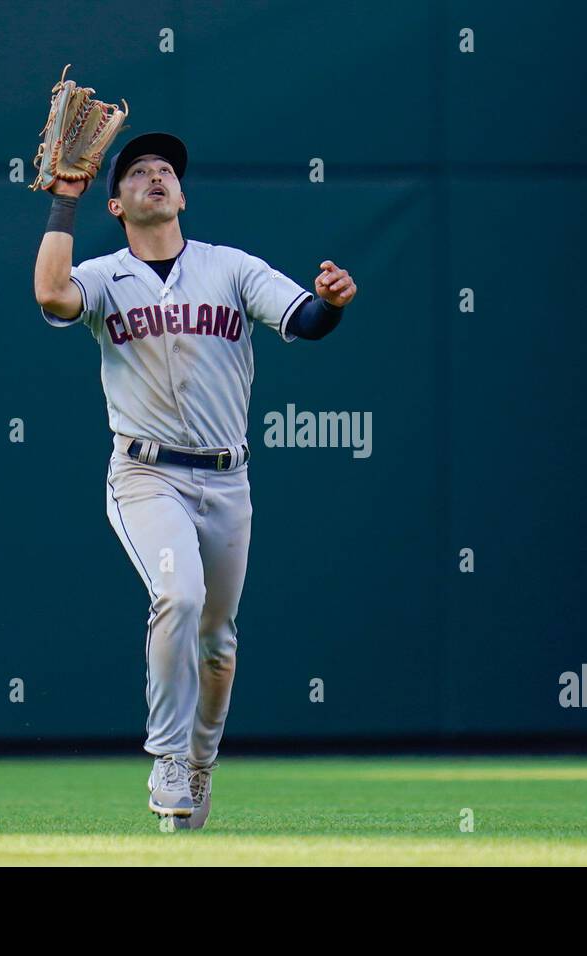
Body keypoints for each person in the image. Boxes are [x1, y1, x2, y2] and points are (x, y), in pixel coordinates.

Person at [33, 132, 357, 828]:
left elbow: (304, 318)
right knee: (177, 594)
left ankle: (201, 765)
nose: (156, 177)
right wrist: (64, 204)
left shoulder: (229, 268)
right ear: (116, 203)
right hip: (146, 474)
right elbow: (53, 296)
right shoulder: (104, 275)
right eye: (139, 172)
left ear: (182, 196)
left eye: (166, 172)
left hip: (227, 480)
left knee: (218, 644)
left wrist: (330, 301)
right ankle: (169, 755)